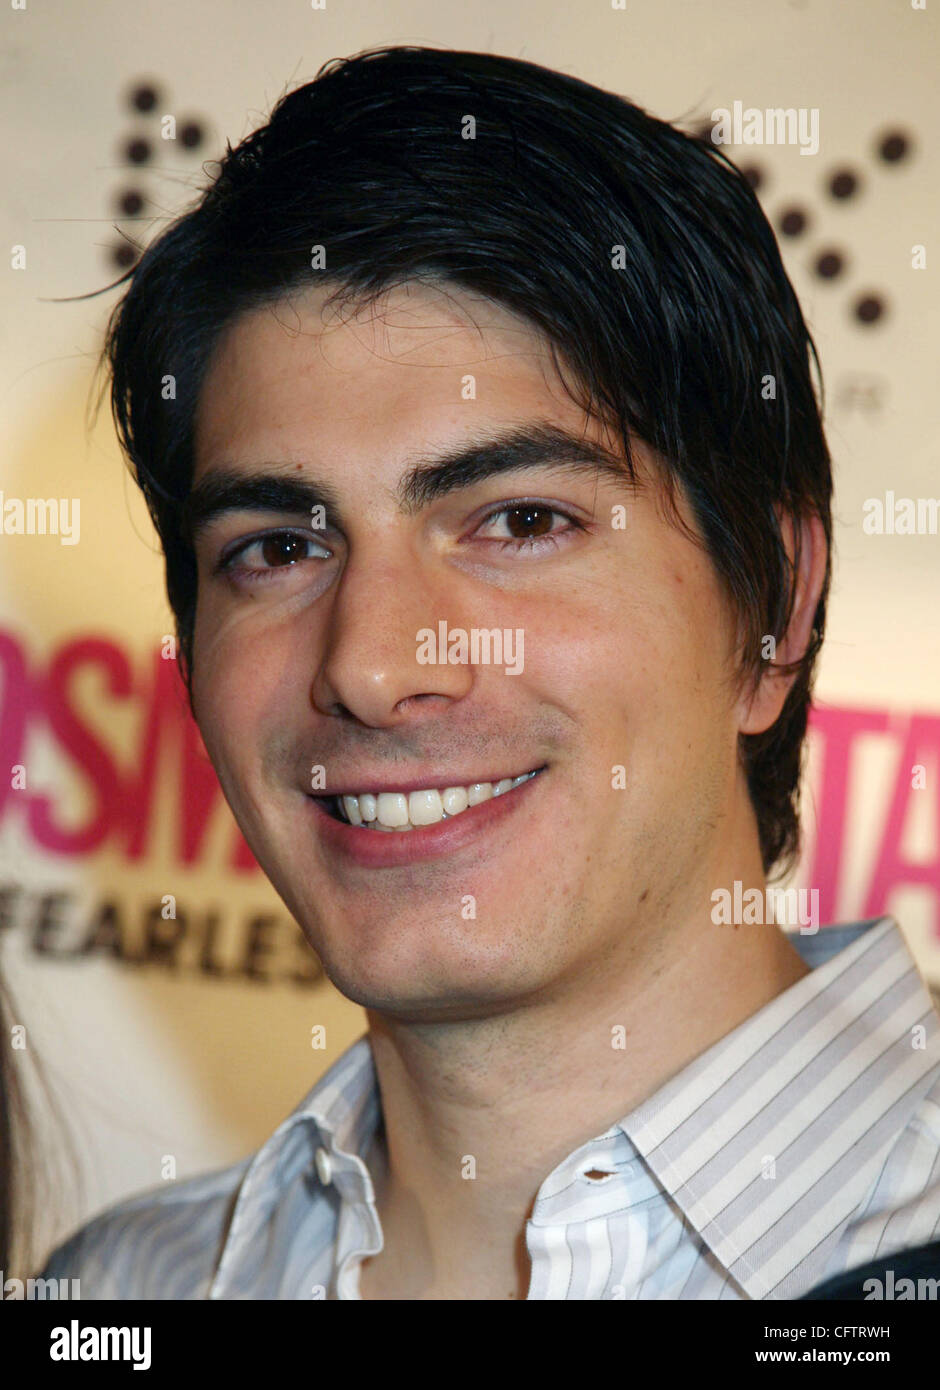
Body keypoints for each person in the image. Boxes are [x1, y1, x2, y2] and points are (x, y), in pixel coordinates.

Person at [39, 44, 940, 1300]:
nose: (372, 663)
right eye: (280, 547)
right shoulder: (112, 1296)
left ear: (774, 604)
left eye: (518, 522)